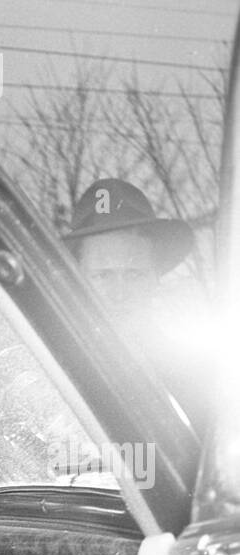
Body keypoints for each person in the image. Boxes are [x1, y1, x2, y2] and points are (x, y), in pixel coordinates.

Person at [64, 178, 210, 433]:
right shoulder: (49, 369)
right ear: (77, 281)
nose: (119, 293)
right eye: (103, 275)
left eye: (134, 274)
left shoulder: (200, 379)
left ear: (155, 279)